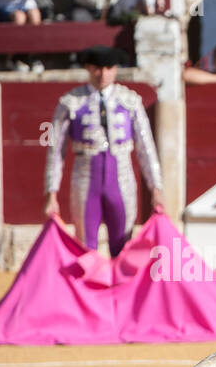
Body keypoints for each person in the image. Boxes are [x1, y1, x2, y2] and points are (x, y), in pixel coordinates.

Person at [43, 45, 163, 256]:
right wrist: (50, 193)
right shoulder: (69, 103)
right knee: (86, 247)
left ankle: (120, 289)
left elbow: (146, 148)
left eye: (108, 68)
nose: (103, 74)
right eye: (97, 68)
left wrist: (156, 187)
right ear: (88, 68)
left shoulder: (131, 102)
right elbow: (55, 151)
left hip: (122, 180)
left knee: (123, 245)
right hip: (85, 179)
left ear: (115, 69)